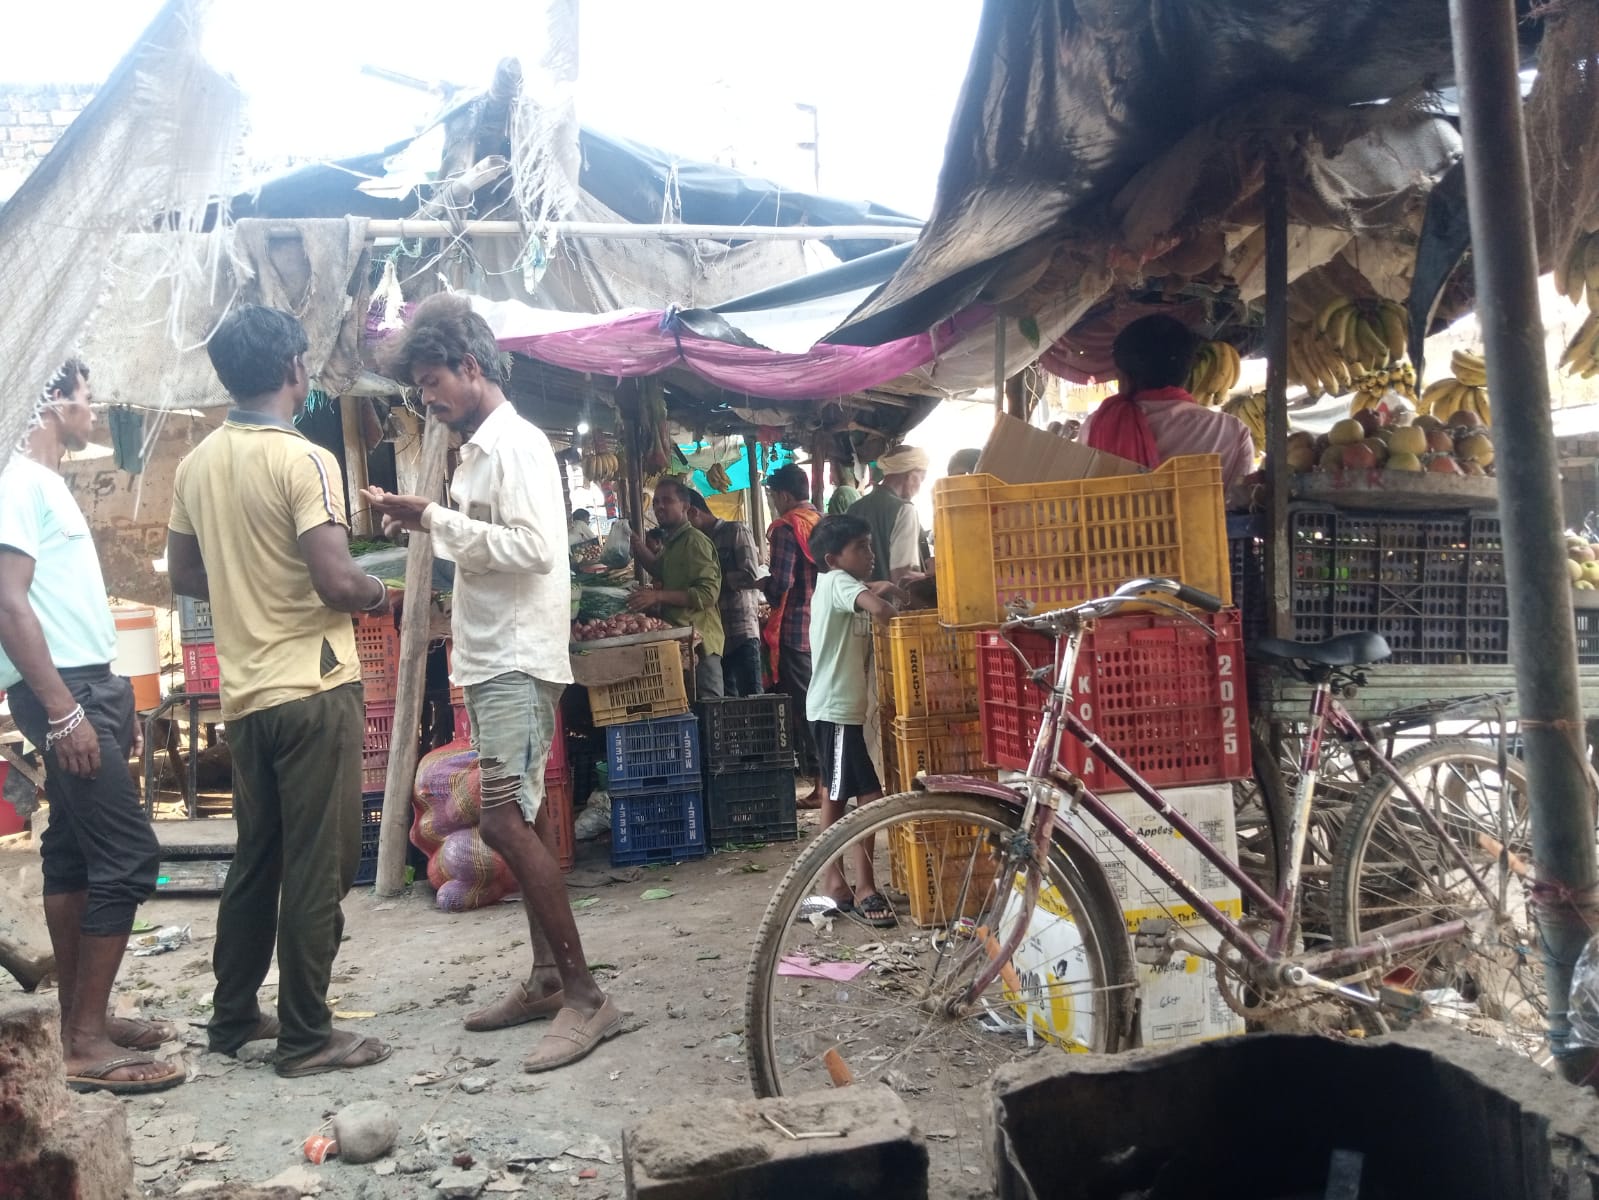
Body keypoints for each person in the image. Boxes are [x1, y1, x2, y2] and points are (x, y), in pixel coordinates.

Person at [365, 293, 623, 1071]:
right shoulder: (478, 447)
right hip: (493, 656)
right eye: (418, 388)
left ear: (471, 367)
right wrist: (430, 520)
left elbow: (535, 550)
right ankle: (549, 979)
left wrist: (431, 520)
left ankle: (585, 997)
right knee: (525, 818)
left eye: (433, 380)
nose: (427, 397)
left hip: (514, 657)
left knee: (506, 822)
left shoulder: (512, 446)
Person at [167, 306, 392, 1078]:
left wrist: (247, 584)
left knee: (255, 861)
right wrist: (378, 594)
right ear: (295, 367)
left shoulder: (196, 465)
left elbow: (186, 577)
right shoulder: (304, 460)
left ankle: (232, 1019)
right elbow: (335, 580)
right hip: (313, 686)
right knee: (319, 867)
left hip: (246, 696)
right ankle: (306, 1035)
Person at [0, 359, 181, 1094]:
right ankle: (83, 1041)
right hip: (60, 692)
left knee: (73, 851)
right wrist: (66, 708)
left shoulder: (44, 483)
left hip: (87, 683)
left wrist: (115, 692)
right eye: (84, 394)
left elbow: (64, 604)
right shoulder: (14, 479)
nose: (95, 406)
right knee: (132, 856)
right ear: (49, 398)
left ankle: (83, 1016)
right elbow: (9, 606)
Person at [804, 514, 903, 928]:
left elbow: (868, 592)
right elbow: (878, 608)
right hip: (837, 710)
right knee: (868, 796)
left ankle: (836, 882)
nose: (870, 553)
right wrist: (896, 608)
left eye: (868, 544)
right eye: (860, 547)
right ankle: (859, 886)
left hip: (832, 708)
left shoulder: (833, 583)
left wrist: (883, 585)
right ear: (833, 558)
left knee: (834, 793)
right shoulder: (839, 583)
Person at [1076, 314, 1256, 485]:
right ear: (1188, 370)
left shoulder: (1096, 425)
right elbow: (1242, 505)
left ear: (1124, 377)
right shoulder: (1234, 433)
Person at [628, 478, 725, 699]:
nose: (659, 506)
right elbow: (657, 568)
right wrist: (637, 545)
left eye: (667, 501)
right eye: (656, 502)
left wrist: (657, 596)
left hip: (701, 644)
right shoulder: (672, 543)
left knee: (710, 712)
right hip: (682, 642)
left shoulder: (694, 542)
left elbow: (708, 594)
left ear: (685, 507)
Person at [761, 464, 821, 783]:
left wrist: (763, 586)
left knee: (804, 706)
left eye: (772, 495)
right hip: (820, 626)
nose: (773, 501)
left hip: (794, 628)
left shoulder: (786, 528)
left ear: (784, 495)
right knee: (817, 701)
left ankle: (819, 782)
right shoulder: (818, 521)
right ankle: (823, 780)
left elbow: (781, 581)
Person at [684, 491, 762, 697]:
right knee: (728, 701)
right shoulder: (697, 542)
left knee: (753, 698)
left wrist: (711, 585)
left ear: (693, 512)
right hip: (715, 637)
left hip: (741, 630)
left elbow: (750, 575)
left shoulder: (735, 530)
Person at [848, 446, 930, 584]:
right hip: (889, 603)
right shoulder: (904, 509)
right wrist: (935, 574)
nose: (919, 487)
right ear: (911, 475)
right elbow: (902, 576)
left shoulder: (854, 508)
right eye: (921, 479)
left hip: (860, 601)